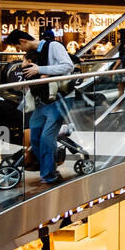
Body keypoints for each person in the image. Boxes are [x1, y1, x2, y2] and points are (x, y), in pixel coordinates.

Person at [6, 28, 75, 187]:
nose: (19, 50)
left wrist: (40, 69)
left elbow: (68, 66)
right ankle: (50, 167)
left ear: (23, 41)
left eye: (18, 47)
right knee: (35, 137)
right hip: (41, 101)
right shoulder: (31, 54)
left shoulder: (54, 46)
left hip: (59, 100)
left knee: (45, 139)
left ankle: (48, 175)